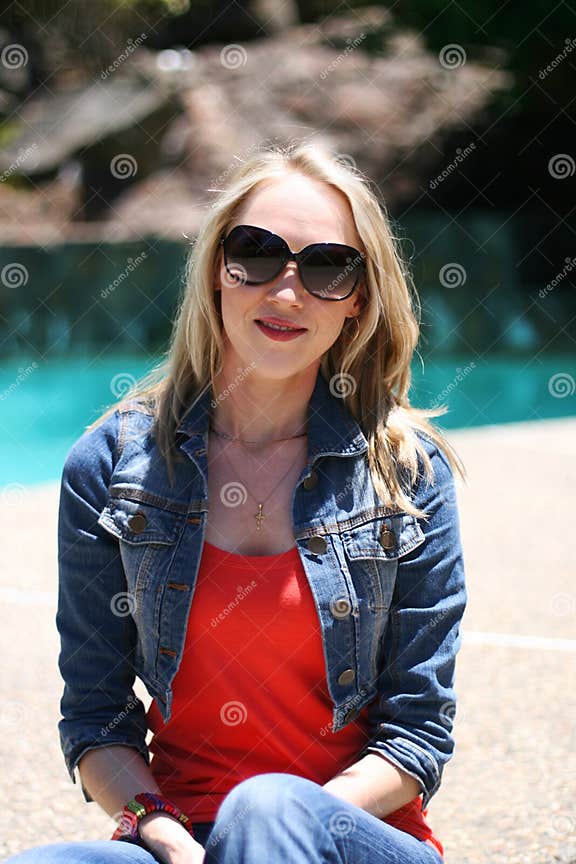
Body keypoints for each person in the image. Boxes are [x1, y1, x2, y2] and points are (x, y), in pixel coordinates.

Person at [6, 140, 467, 864]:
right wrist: (173, 840)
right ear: (216, 270)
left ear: (358, 301)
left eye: (327, 266)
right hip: (183, 842)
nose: (285, 292)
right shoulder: (110, 465)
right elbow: (97, 721)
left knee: (268, 805)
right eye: (256, 253)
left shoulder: (406, 475)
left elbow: (417, 736)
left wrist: (283, 825)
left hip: (351, 839)